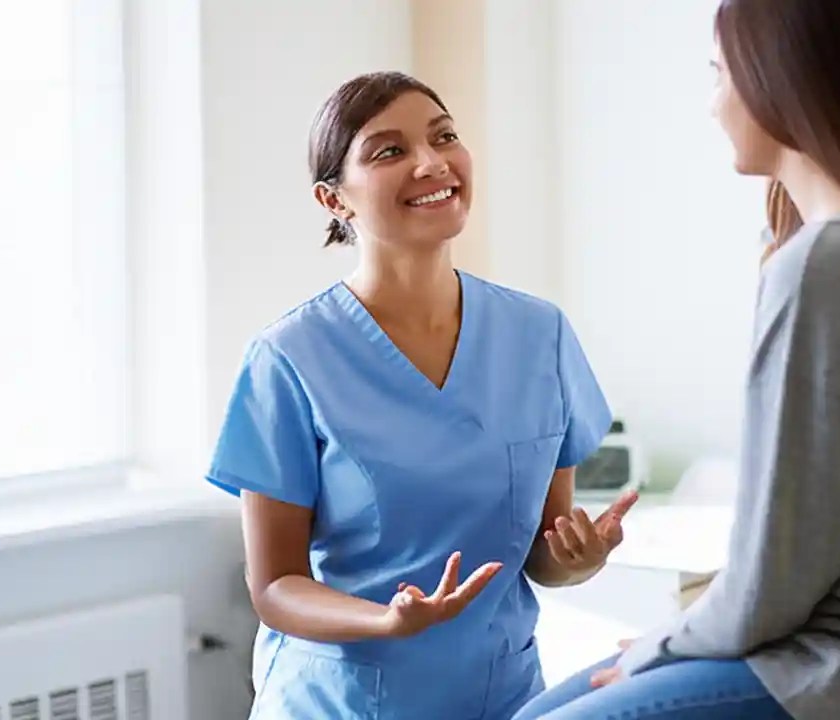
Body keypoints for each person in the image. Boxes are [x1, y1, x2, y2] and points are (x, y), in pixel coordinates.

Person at [515, 0, 840, 718]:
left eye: (716, 76)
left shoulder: (831, 263)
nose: (711, 105)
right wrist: (673, 641)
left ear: (776, 80)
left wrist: (660, 647)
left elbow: (775, 581)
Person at [205, 71, 636, 720]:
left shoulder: (538, 335)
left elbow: (543, 560)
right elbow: (275, 586)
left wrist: (579, 558)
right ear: (334, 200)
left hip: (502, 696)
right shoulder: (290, 357)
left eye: (444, 137)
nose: (432, 162)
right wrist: (385, 622)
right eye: (389, 151)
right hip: (342, 702)